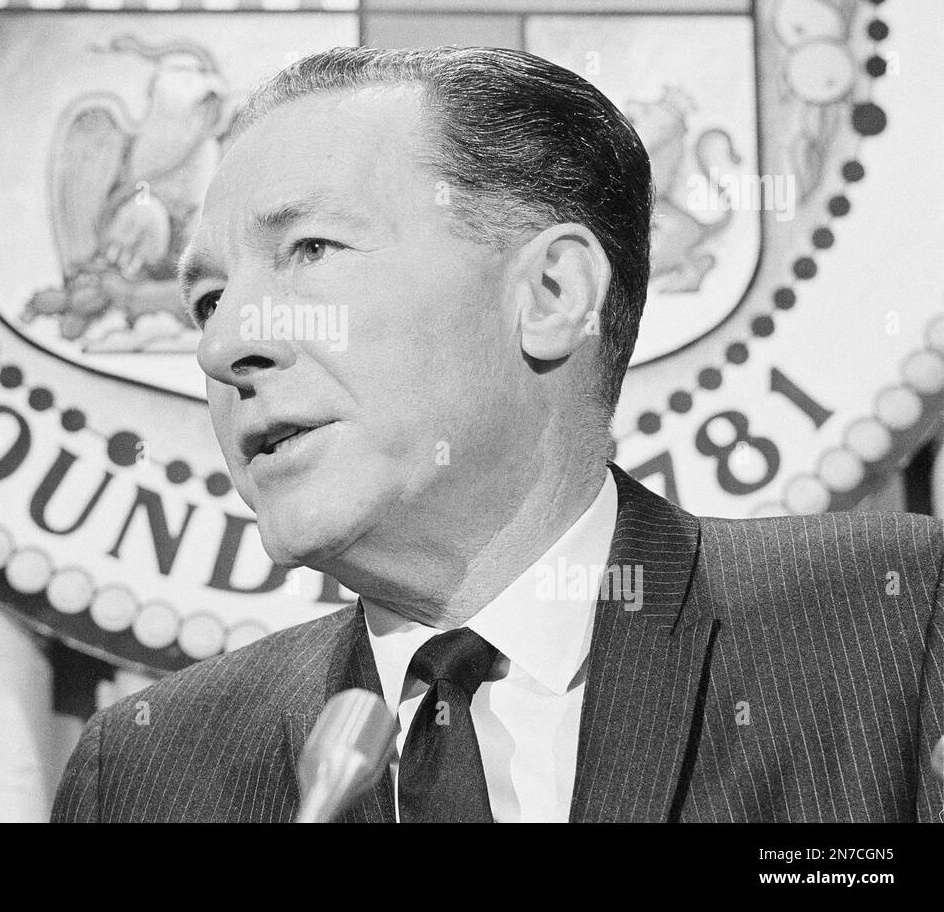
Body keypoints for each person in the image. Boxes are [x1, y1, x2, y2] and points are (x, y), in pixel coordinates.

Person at [51, 47, 944, 823]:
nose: (221, 345)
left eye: (312, 251)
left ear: (551, 296)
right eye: (207, 300)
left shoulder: (898, 630)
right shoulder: (148, 774)